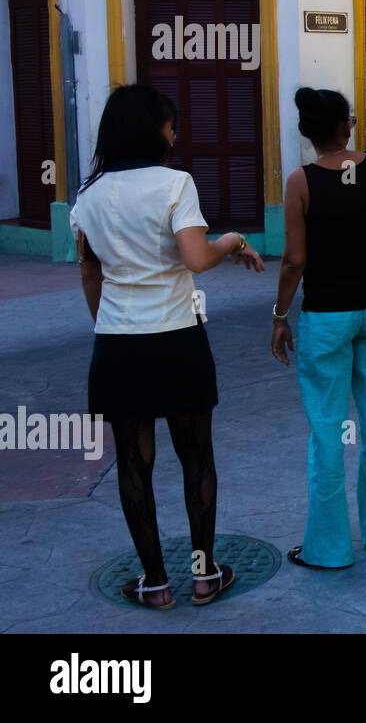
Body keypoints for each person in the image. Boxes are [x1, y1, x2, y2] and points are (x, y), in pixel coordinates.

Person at [70, 84, 264, 609]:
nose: (176, 134)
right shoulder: (176, 184)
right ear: (150, 130)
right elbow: (197, 258)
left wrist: (108, 326)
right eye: (170, 125)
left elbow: (90, 272)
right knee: (196, 457)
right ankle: (204, 577)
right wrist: (234, 241)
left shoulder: (87, 197)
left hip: (118, 345)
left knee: (134, 465)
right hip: (177, 336)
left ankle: (154, 583)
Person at [272, 87, 366, 571]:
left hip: (328, 316)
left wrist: (279, 315)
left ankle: (328, 550)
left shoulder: (300, 182)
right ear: (346, 127)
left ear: (307, 132)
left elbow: (295, 259)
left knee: (327, 431)